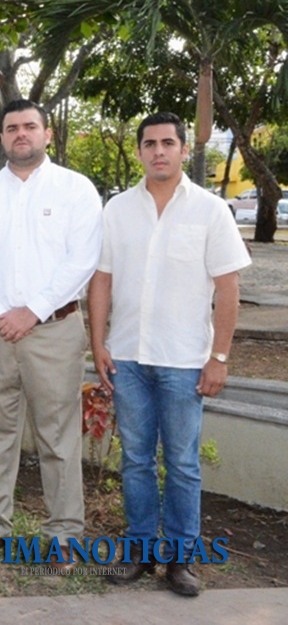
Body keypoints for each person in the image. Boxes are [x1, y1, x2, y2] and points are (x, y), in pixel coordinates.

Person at [88, 112, 250, 596]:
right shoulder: (116, 209)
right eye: (149, 143)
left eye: (167, 143)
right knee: (136, 459)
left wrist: (218, 357)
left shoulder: (210, 210)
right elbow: (102, 280)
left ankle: (180, 560)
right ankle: (140, 550)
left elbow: (228, 288)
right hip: (129, 358)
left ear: (183, 150)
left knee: (181, 462)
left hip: (184, 361)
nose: (158, 151)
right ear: (138, 151)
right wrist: (98, 344)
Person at [0, 98, 102, 569]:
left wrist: (31, 313)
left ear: (47, 134)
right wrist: (3, 313)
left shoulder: (76, 190)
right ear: (1, 137)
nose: (22, 134)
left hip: (55, 329)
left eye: (30, 126)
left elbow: (82, 260)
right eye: (12, 128)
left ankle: (64, 533)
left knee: (58, 435)